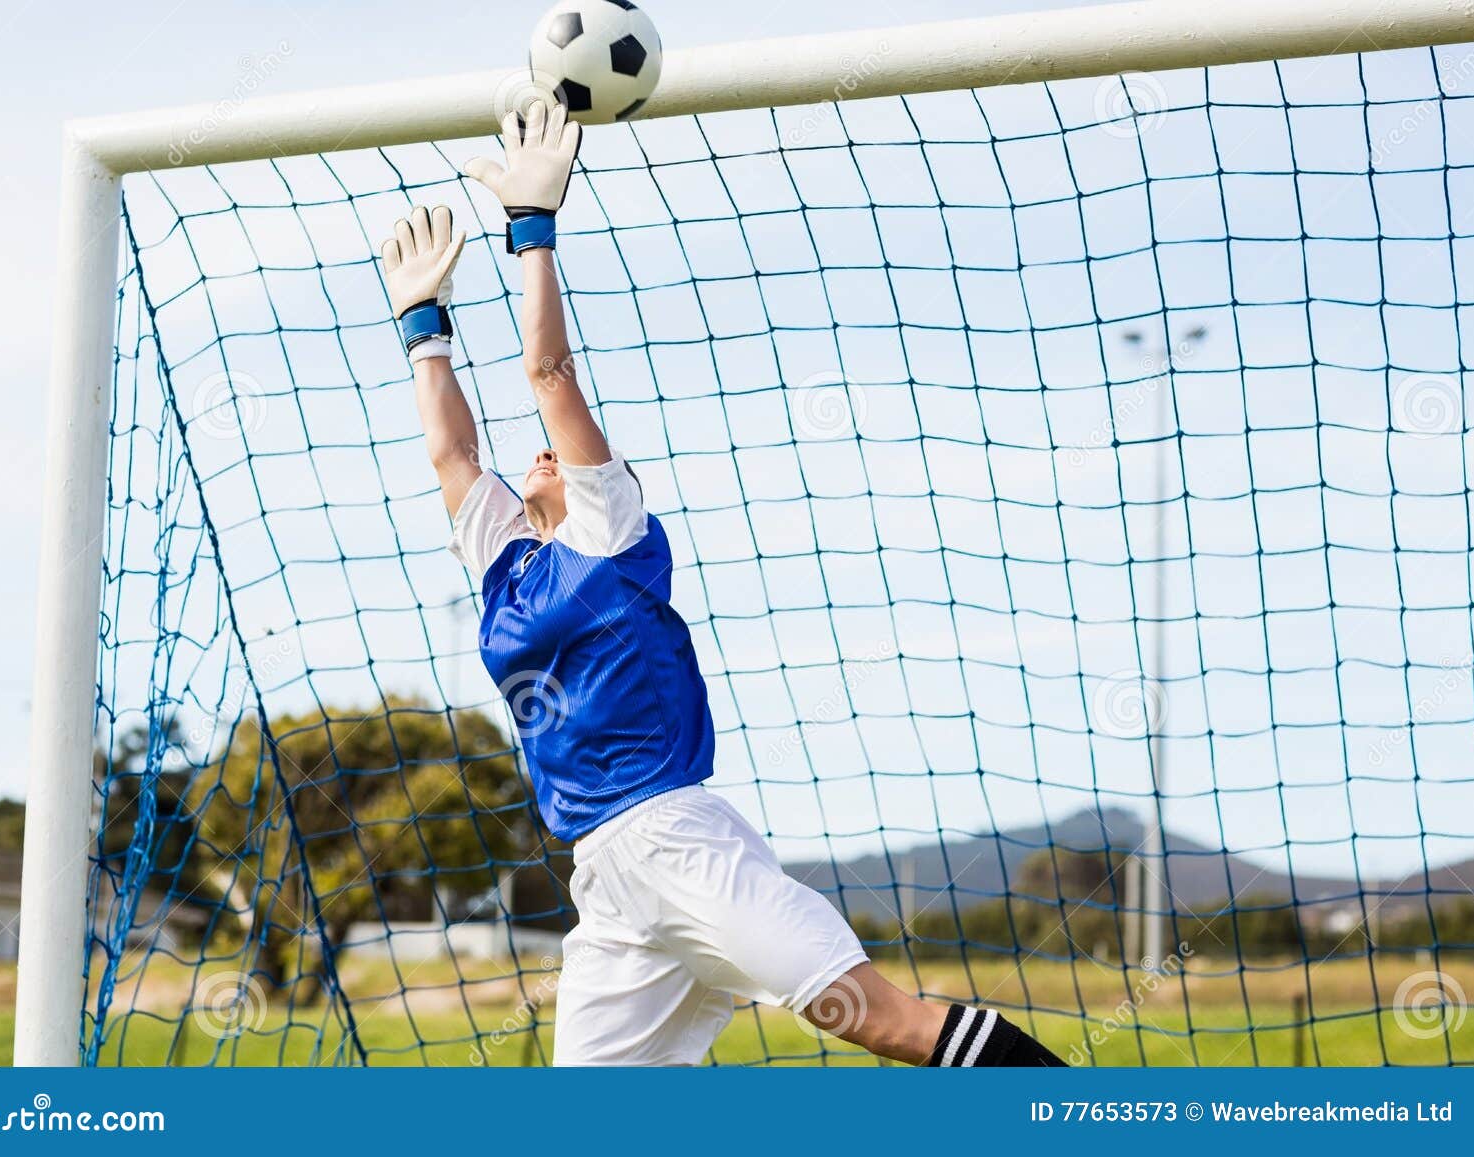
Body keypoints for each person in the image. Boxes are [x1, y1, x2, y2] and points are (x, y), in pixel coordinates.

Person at [377, 100, 1064, 1068]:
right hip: (607, 885)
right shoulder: (503, 569)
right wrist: (422, 328)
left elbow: (546, 369)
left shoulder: (610, 533)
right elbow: (452, 453)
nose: (538, 457)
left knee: (880, 1020)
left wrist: (530, 232)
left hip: (682, 841)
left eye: (555, 458)